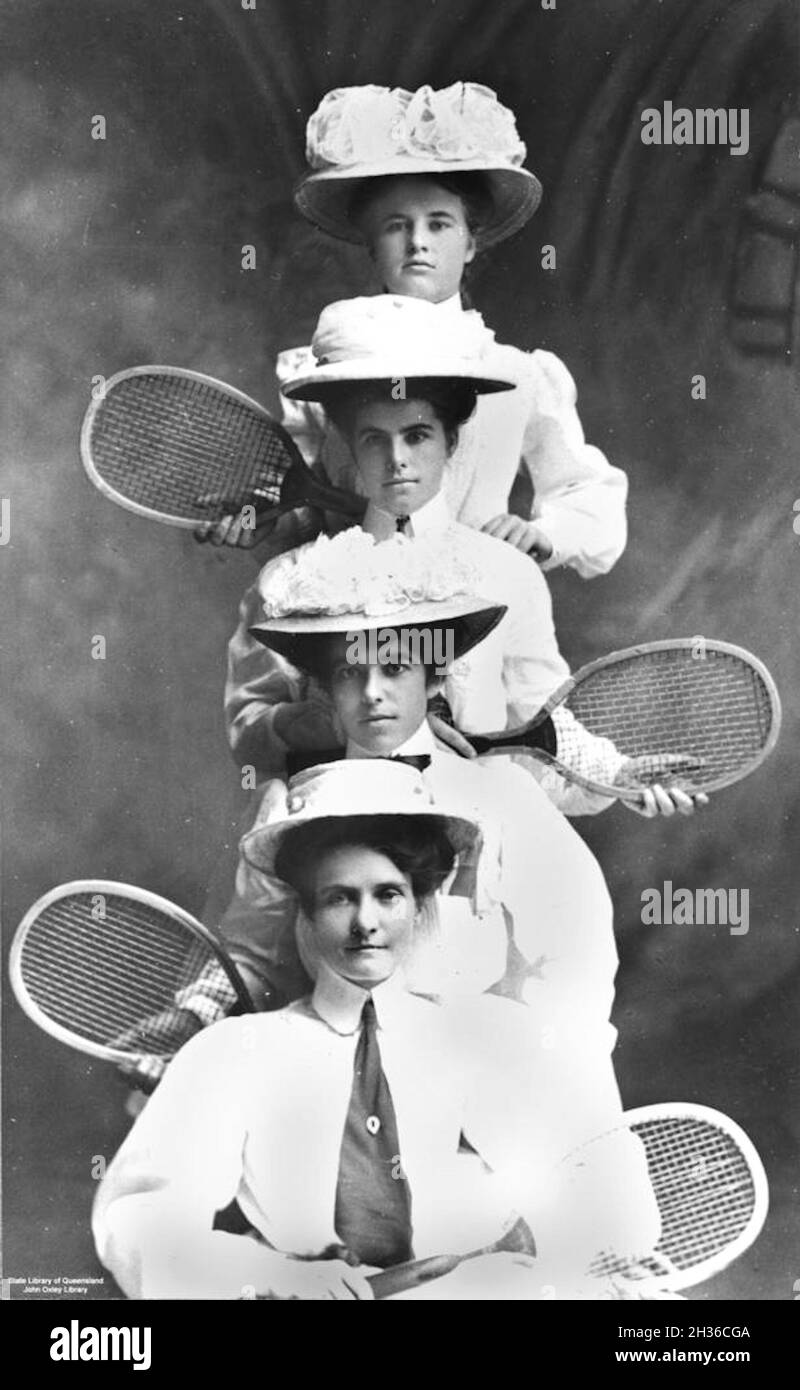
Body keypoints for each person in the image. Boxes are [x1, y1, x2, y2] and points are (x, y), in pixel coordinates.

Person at [93, 762, 660, 1301]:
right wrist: (269, 1276)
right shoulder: (232, 1054)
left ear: (420, 903)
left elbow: (613, 1206)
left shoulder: (497, 1038)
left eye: (387, 894)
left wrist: (567, 1262)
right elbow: (137, 1225)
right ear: (305, 913)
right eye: (339, 897)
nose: (366, 923)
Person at [200, 82, 627, 580]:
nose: (418, 242)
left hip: (476, 619)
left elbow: (586, 491)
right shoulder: (323, 373)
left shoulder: (515, 374)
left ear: (471, 244)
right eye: (396, 225)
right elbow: (305, 518)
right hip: (353, 624)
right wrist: (262, 525)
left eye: (440, 224)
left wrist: (545, 535)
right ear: (371, 244)